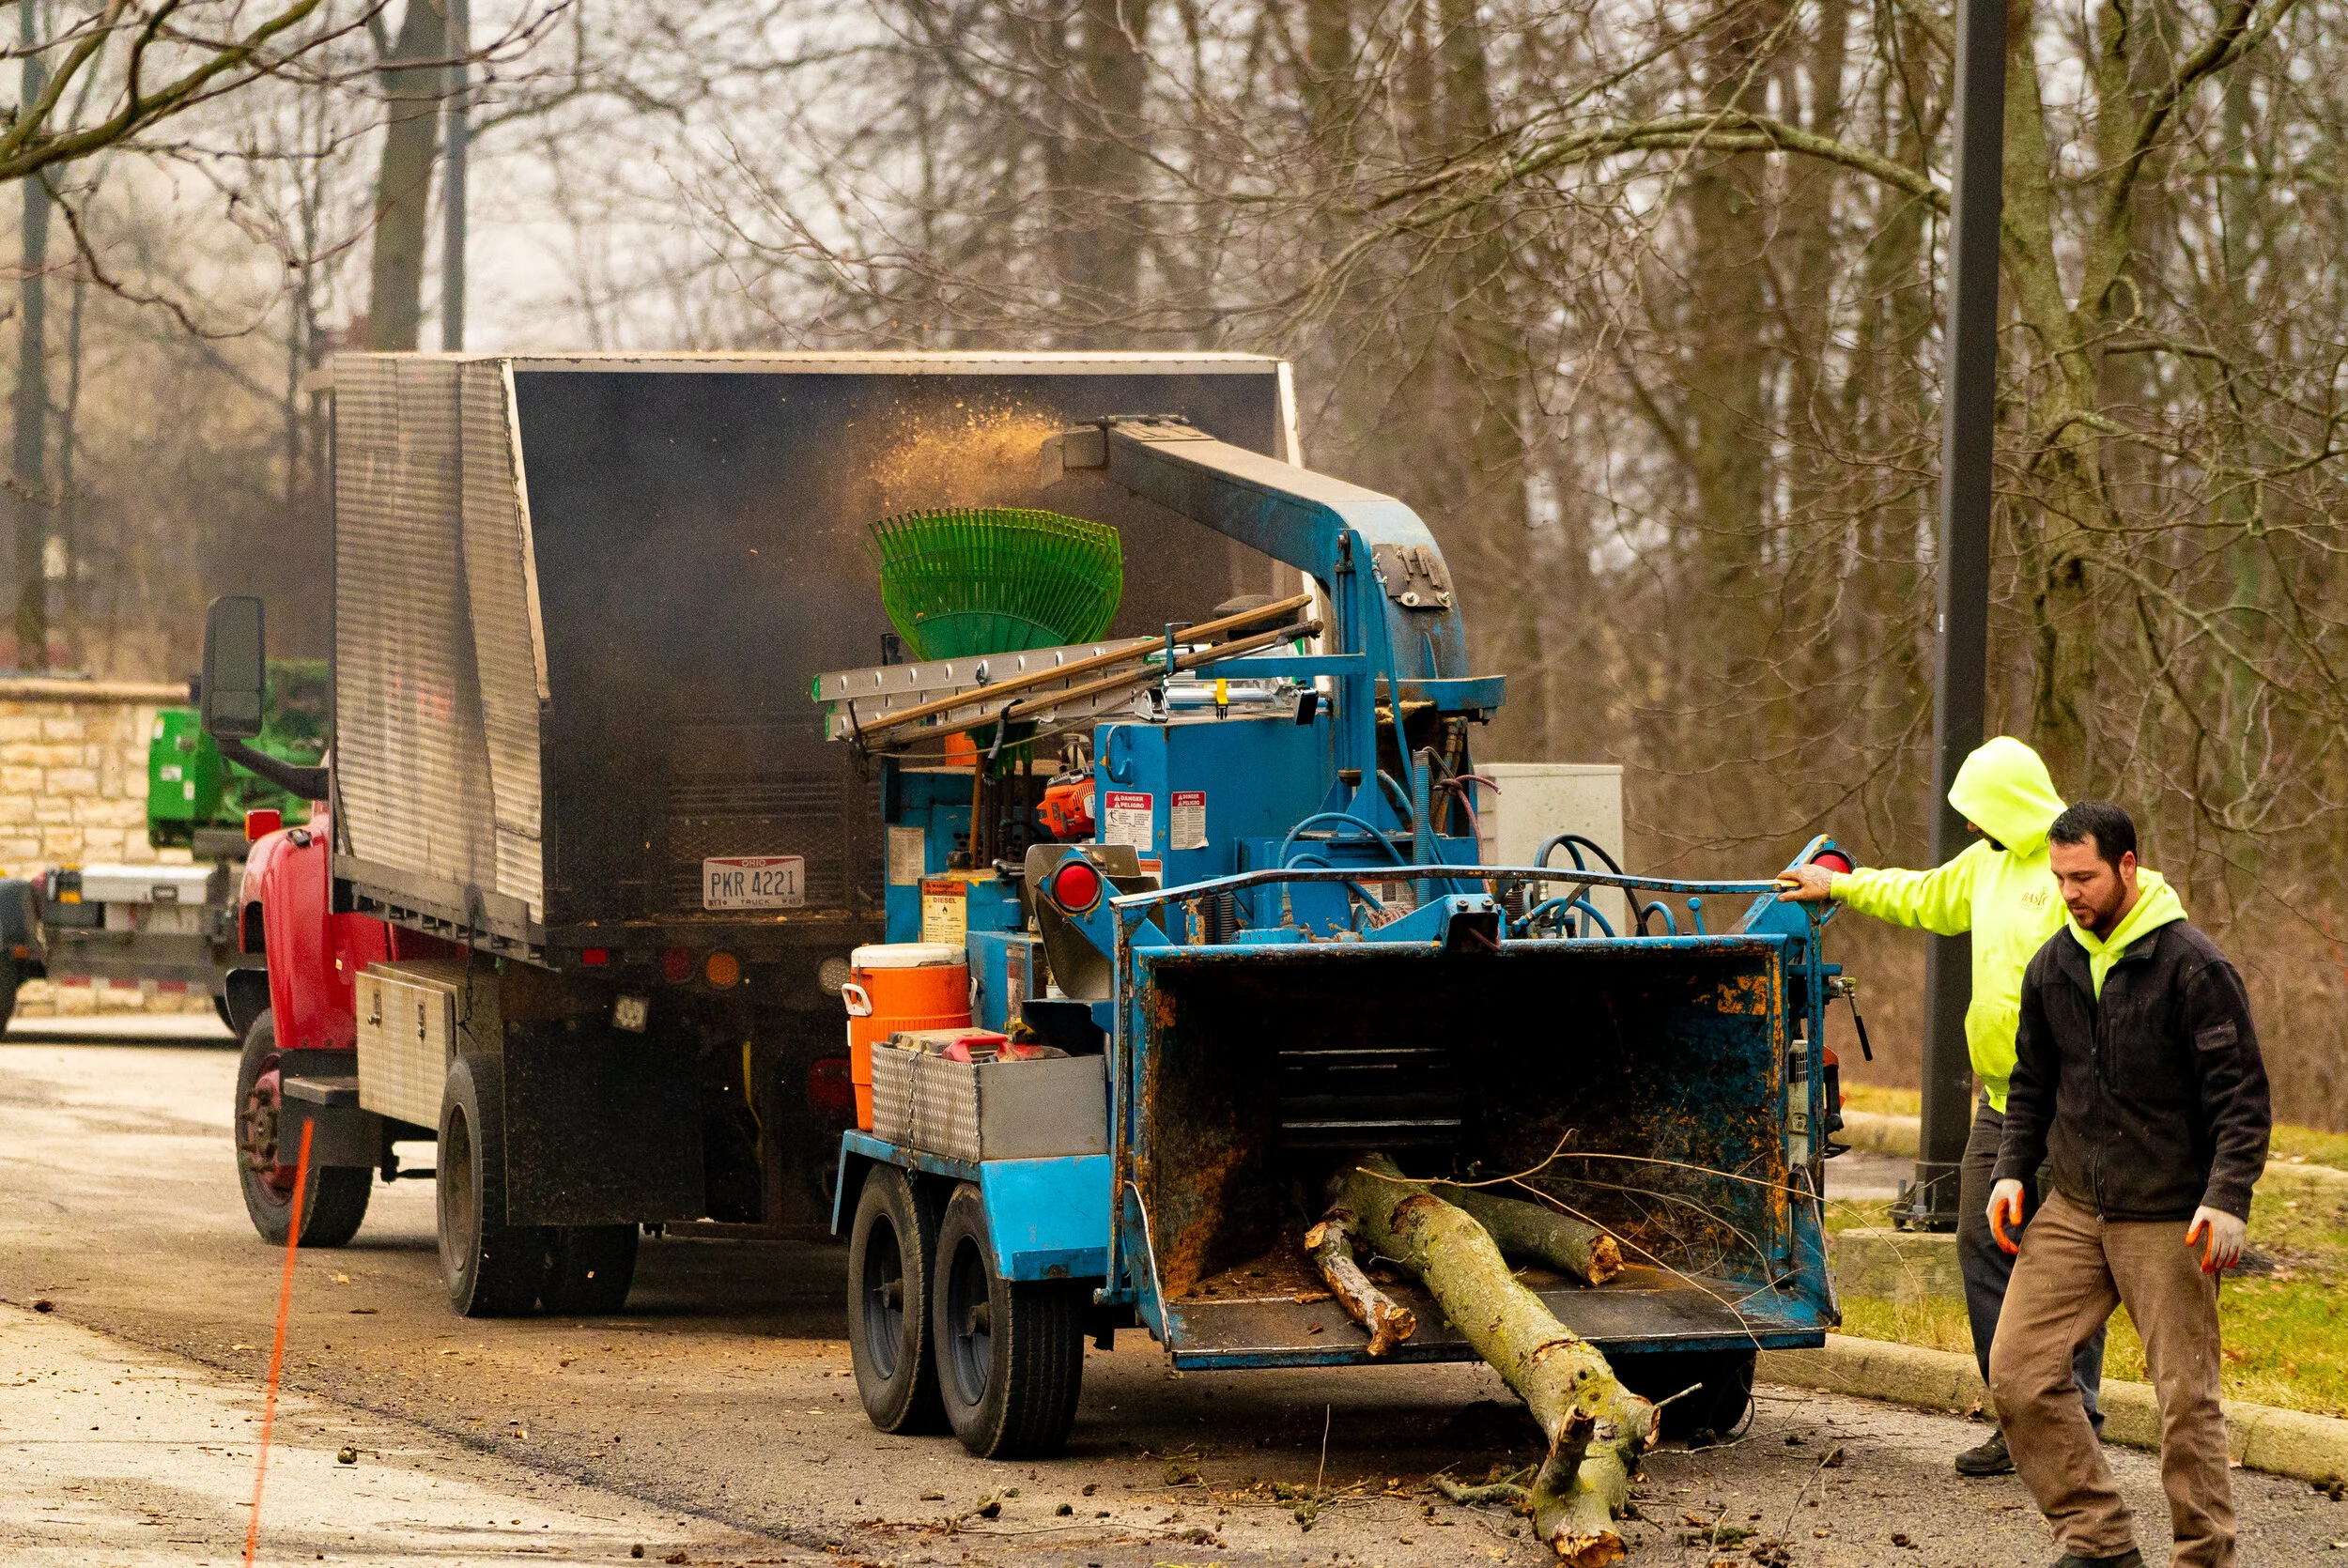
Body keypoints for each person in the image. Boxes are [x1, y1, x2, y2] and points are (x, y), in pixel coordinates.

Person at [1778, 734, 2105, 1474]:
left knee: (2065, 1263)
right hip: (2002, 1101)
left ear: (2012, 807)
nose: (1966, 826)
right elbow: (1922, 893)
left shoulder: (2069, 873)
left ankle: (2074, 1416)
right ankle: (2023, 1414)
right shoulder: (1985, 865)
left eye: (1976, 811)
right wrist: (1842, 887)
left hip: (2072, 1108)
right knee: (1983, 1242)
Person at [1986, 800, 2267, 1568]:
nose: (2070, 893)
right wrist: (2012, 1171)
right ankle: (2098, 1539)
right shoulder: (2055, 962)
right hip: (2075, 1207)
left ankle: (2204, 1557)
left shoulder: (2192, 966)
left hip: (2169, 1214)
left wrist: (2227, 1198)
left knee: (2185, 1404)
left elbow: (2240, 1095)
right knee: (2017, 1374)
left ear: (2128, 867)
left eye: (2083, 878)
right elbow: (2032, 1082)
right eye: (2060, 878)